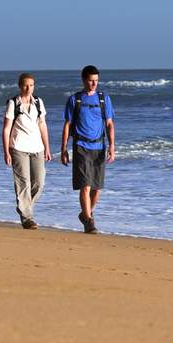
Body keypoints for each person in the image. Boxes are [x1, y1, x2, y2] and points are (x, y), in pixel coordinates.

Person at [61, 64, 115, 234]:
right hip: (81, 146)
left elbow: (109, 124)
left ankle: (86, 214)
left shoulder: (103, 99)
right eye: (91, 81)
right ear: (84, 80)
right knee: (85, 186)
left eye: (96, 81)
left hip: (99, 146)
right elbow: (67, 125)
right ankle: (89, 222)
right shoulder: (75, 99)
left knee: (96, 188)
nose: (94, 84)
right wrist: (63, 149)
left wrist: (112, 146)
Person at [1, 72, 51, 229]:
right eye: (25, 85)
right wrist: (6, 152)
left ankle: (23, 206)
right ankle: (27, 218)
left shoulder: (38, 102)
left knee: (39, 182)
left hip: (37, 148)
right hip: (18, 147)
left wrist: (47, 148)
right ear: (20, 86)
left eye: (31, 85)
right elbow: (6, 129)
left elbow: (42, 125)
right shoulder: (13, 103)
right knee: (24, 183)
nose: (29, 88)